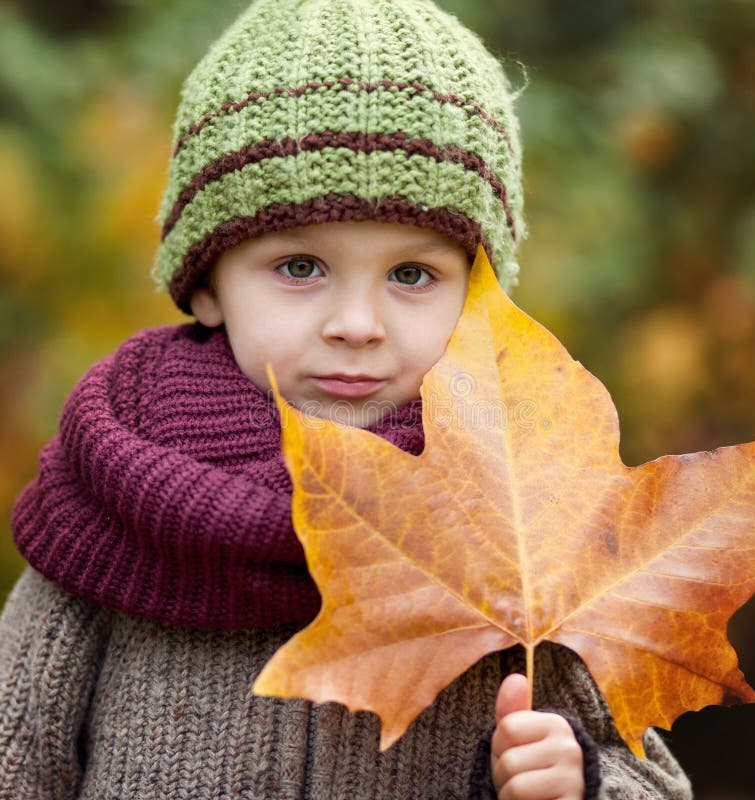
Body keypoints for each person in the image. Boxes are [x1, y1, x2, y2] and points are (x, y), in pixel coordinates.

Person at [0, 1, 693, 797]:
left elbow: (656, 781)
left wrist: (581, 780)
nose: (357, 324)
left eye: (411, 275)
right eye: (300, 267)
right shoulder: (110, 505)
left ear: (476, 295)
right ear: (207, 282)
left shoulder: (522, 516)